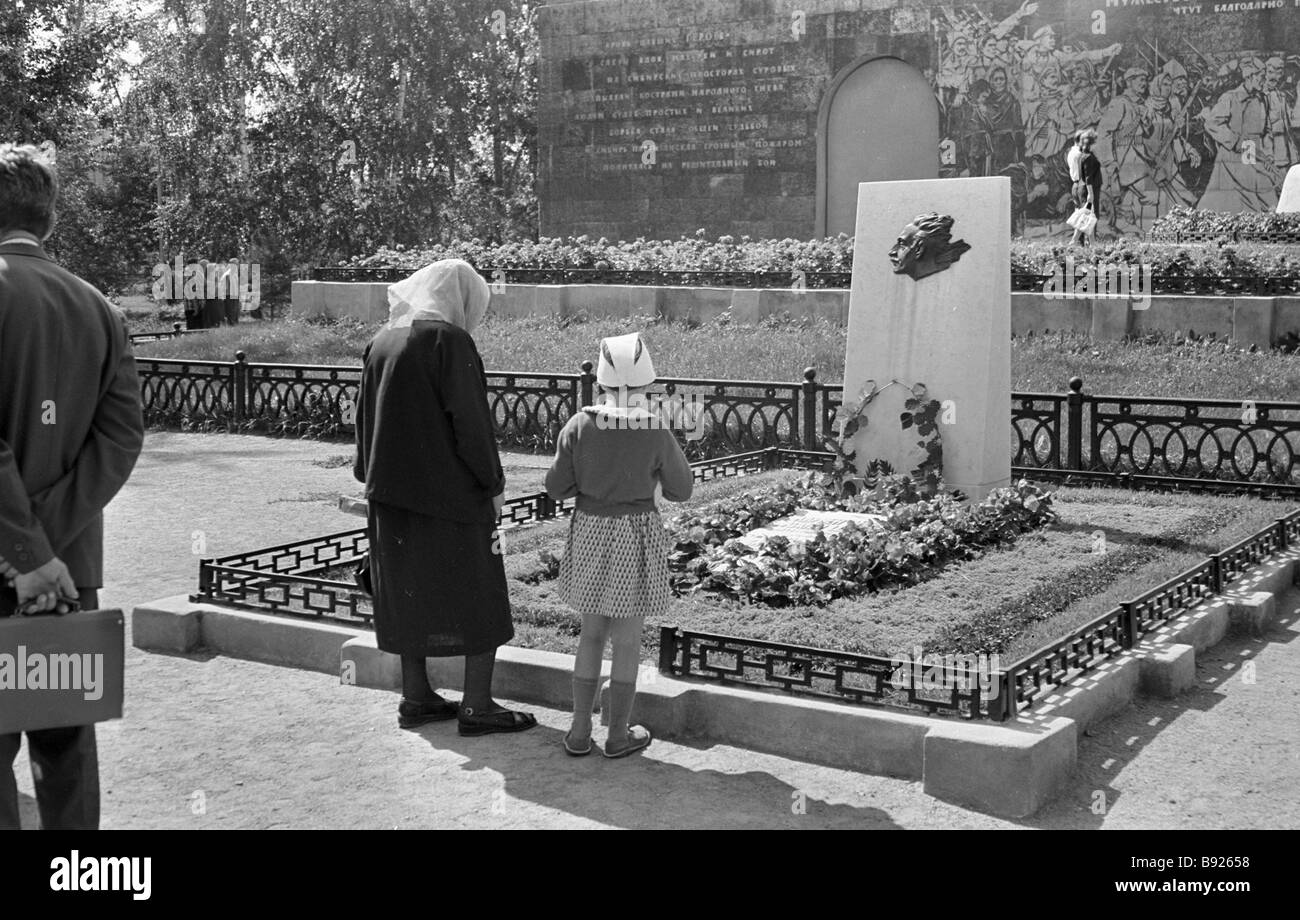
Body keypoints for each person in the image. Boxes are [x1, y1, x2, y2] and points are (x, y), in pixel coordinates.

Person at [0, 143, 145, 829]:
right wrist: (47, 552)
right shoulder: (101, 309)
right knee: (66, 751)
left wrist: (24, 554)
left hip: (17, 569)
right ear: (50, 218)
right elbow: (119, 441)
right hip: (69, 575)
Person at [353, 258, 536, 736]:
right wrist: (492, 483)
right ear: (460, 298)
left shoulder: (382, 341)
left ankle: (416, 698)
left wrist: (366, 474)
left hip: (388, 494)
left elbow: (364, 417)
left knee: (404, 593)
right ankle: (478, 705)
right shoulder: (449, 342)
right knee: (480, 595)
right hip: (451, 496)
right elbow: (471, 424)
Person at [545, 333, 693, 759]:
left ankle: (577, 733)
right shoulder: (654, 428)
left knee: (590, 635)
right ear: (647, 384)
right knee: (628, 641)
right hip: (636, 535)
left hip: (590, 530)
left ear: (602, 382)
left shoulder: (578, 424)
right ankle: (618, 735)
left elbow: (556, 487)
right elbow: (681, 489)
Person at [1067, 128, 1102, 245]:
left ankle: (1092, 243)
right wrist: (1090, 194)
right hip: (1086, 190)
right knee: (1086, 217)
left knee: (1087, 217)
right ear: (1091, 144)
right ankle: (1074, 242)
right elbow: (1088, 177)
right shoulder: (1088, 158)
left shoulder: (1083, 156)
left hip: (1080, 187)